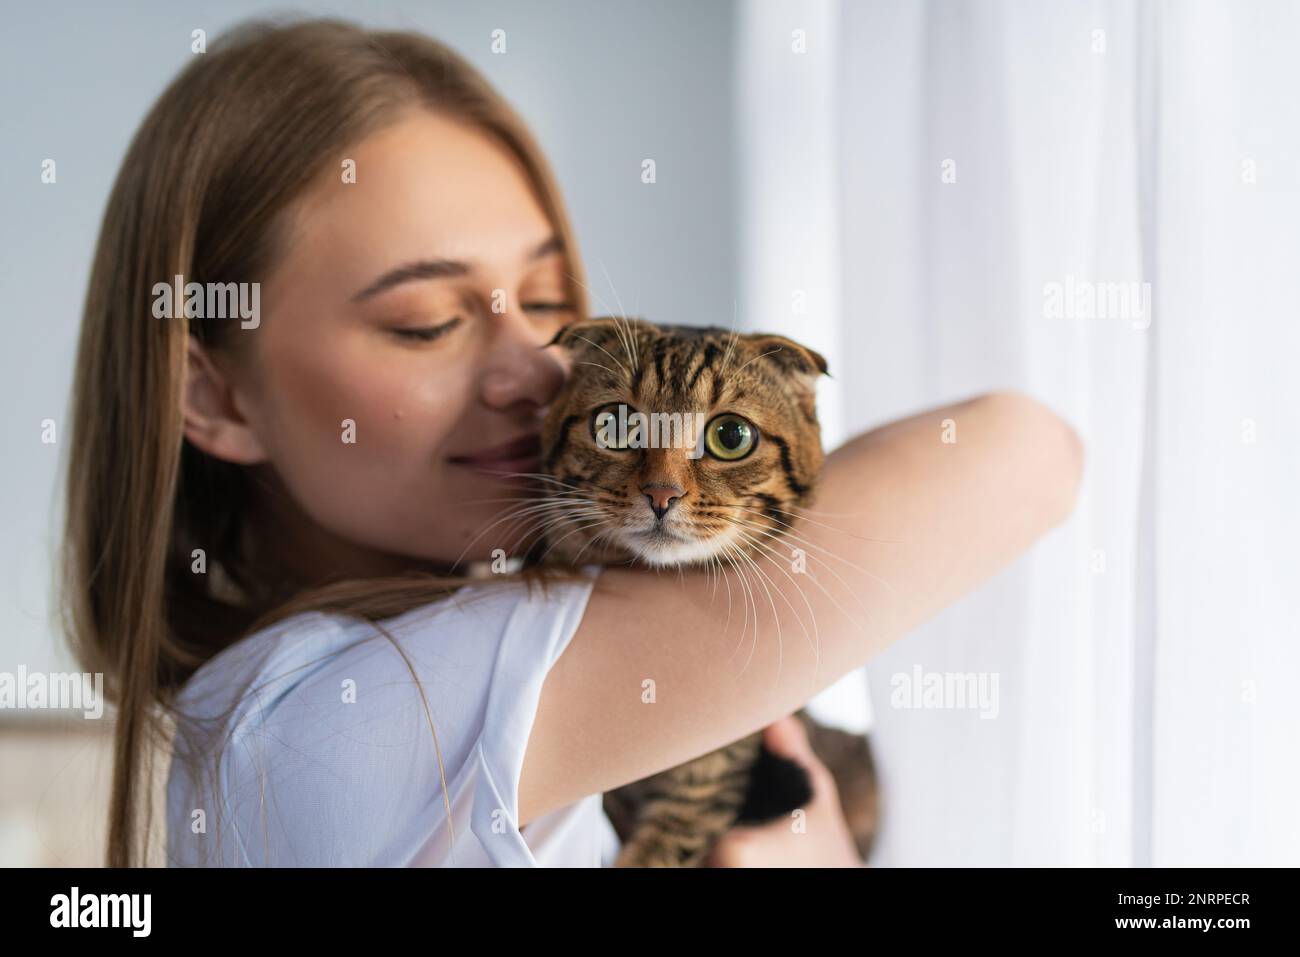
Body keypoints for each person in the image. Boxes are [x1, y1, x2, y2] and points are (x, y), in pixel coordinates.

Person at [62, 18, 1083, 868]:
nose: (535, 369)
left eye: (547, 302)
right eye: (426, 321)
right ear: (216, 399)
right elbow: (1024, 449)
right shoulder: (313, 722)